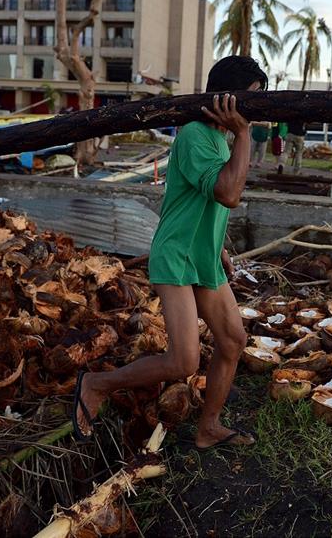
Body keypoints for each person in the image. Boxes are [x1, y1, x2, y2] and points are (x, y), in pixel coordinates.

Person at [73, 56, 266, 449]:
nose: (253, 110)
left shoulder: (218, 138)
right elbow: (228, 193)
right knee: (183, 361)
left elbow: (205, 201)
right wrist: (244, 135)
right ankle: (96, 384)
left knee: (232, 341)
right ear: (226, 98)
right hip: (177, 256)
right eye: (251, 99)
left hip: (204, 257)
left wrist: (221, 246)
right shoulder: (196, 134)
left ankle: (209, 426)